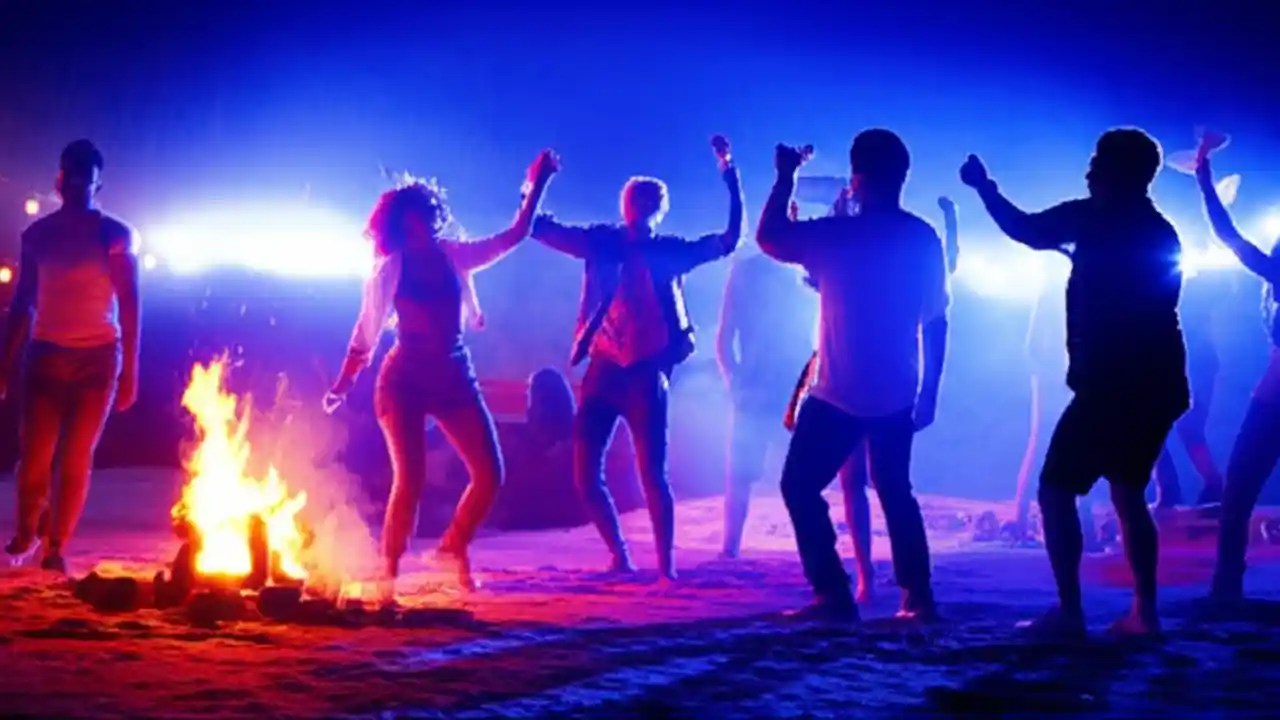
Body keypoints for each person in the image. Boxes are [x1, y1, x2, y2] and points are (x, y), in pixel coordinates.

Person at [962, 128, 1189, 637]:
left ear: (1117, 172)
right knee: (1129, 494)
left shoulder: (1095, 217)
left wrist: (983, 188)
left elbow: (1025, 229)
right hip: (1158, 382)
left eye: (1097, 163)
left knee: (1056, 489)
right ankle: (1144, 615)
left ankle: (1070, 613)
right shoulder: (1160, 231)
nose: (1088, 172)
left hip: (1113, 384)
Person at [328, 149, 559, 592]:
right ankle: (388, 578)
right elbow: (365, 335)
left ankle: (453, 543)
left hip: (455, 376)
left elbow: (515, 235)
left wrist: (538, 183)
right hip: (404, 382)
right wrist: (342, 385)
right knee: (410, 480)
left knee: (490, 473)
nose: (432, 219)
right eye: (422, 214)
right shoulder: (389, 270)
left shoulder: (455, 256)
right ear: (405, 222)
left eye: (434, 212)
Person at [531, 136, 744, 581]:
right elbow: (539, 227)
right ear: (623, 203)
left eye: (646, 199)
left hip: (646, 373)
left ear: (657, 208)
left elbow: (728, 240)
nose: (637, 204)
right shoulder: (601, 243)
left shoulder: (667, 250)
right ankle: (621, 555)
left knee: (653, 474)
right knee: (586, 472)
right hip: (606, 369)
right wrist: (536, 182)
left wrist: (730, 173)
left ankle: (665, 566)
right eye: (633, 197)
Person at [758, 130, 950, 622]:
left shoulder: (839, 234)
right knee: (894, 492)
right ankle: (917, 599)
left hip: (839, 389)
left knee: (800, 487)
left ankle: (834, 596)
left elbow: (770, 237)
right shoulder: (921, 237)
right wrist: (929, 392)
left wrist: (785, 177)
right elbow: (936, 320)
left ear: (858, 179)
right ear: (902, 177)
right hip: (894, 388)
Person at [1, 139, 142, 574]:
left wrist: (130, 372)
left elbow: (131, 303)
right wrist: (5, 365)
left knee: (76, 454)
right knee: (37, 452)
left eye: (87, 175)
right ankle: (27, 531)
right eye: (73, 173)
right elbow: (23, 302)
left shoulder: (115, 235)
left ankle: (56, 546)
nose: (79, 182)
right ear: (60, 180)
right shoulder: (37, 235)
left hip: (97, 359)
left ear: (98, 184)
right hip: (45, 355)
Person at [1194, 154, 1280, 602]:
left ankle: (1226, 586)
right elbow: (1233, 240)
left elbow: (1231, 238)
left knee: (1240, 487)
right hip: (1272, 394)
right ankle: (1226, 585)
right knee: (1239, 487)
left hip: (1274, 397)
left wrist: (1205, 183)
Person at [716, 242, 817, 561]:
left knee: (800, 472)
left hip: (791, 382)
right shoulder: (750, 271)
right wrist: (733, 378)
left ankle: (806, 549)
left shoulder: (805, 267)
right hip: (763, 383)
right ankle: (730, 547)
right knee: (741, 469)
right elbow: (724, 336)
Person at [1151, 260, 1227, 508]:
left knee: (1171, 426)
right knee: (1177, 426)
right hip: (1190, 361)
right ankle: (1210, 486)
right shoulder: (1171, 291)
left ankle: (1201, 487)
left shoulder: (1183, 292)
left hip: (1193, 361)